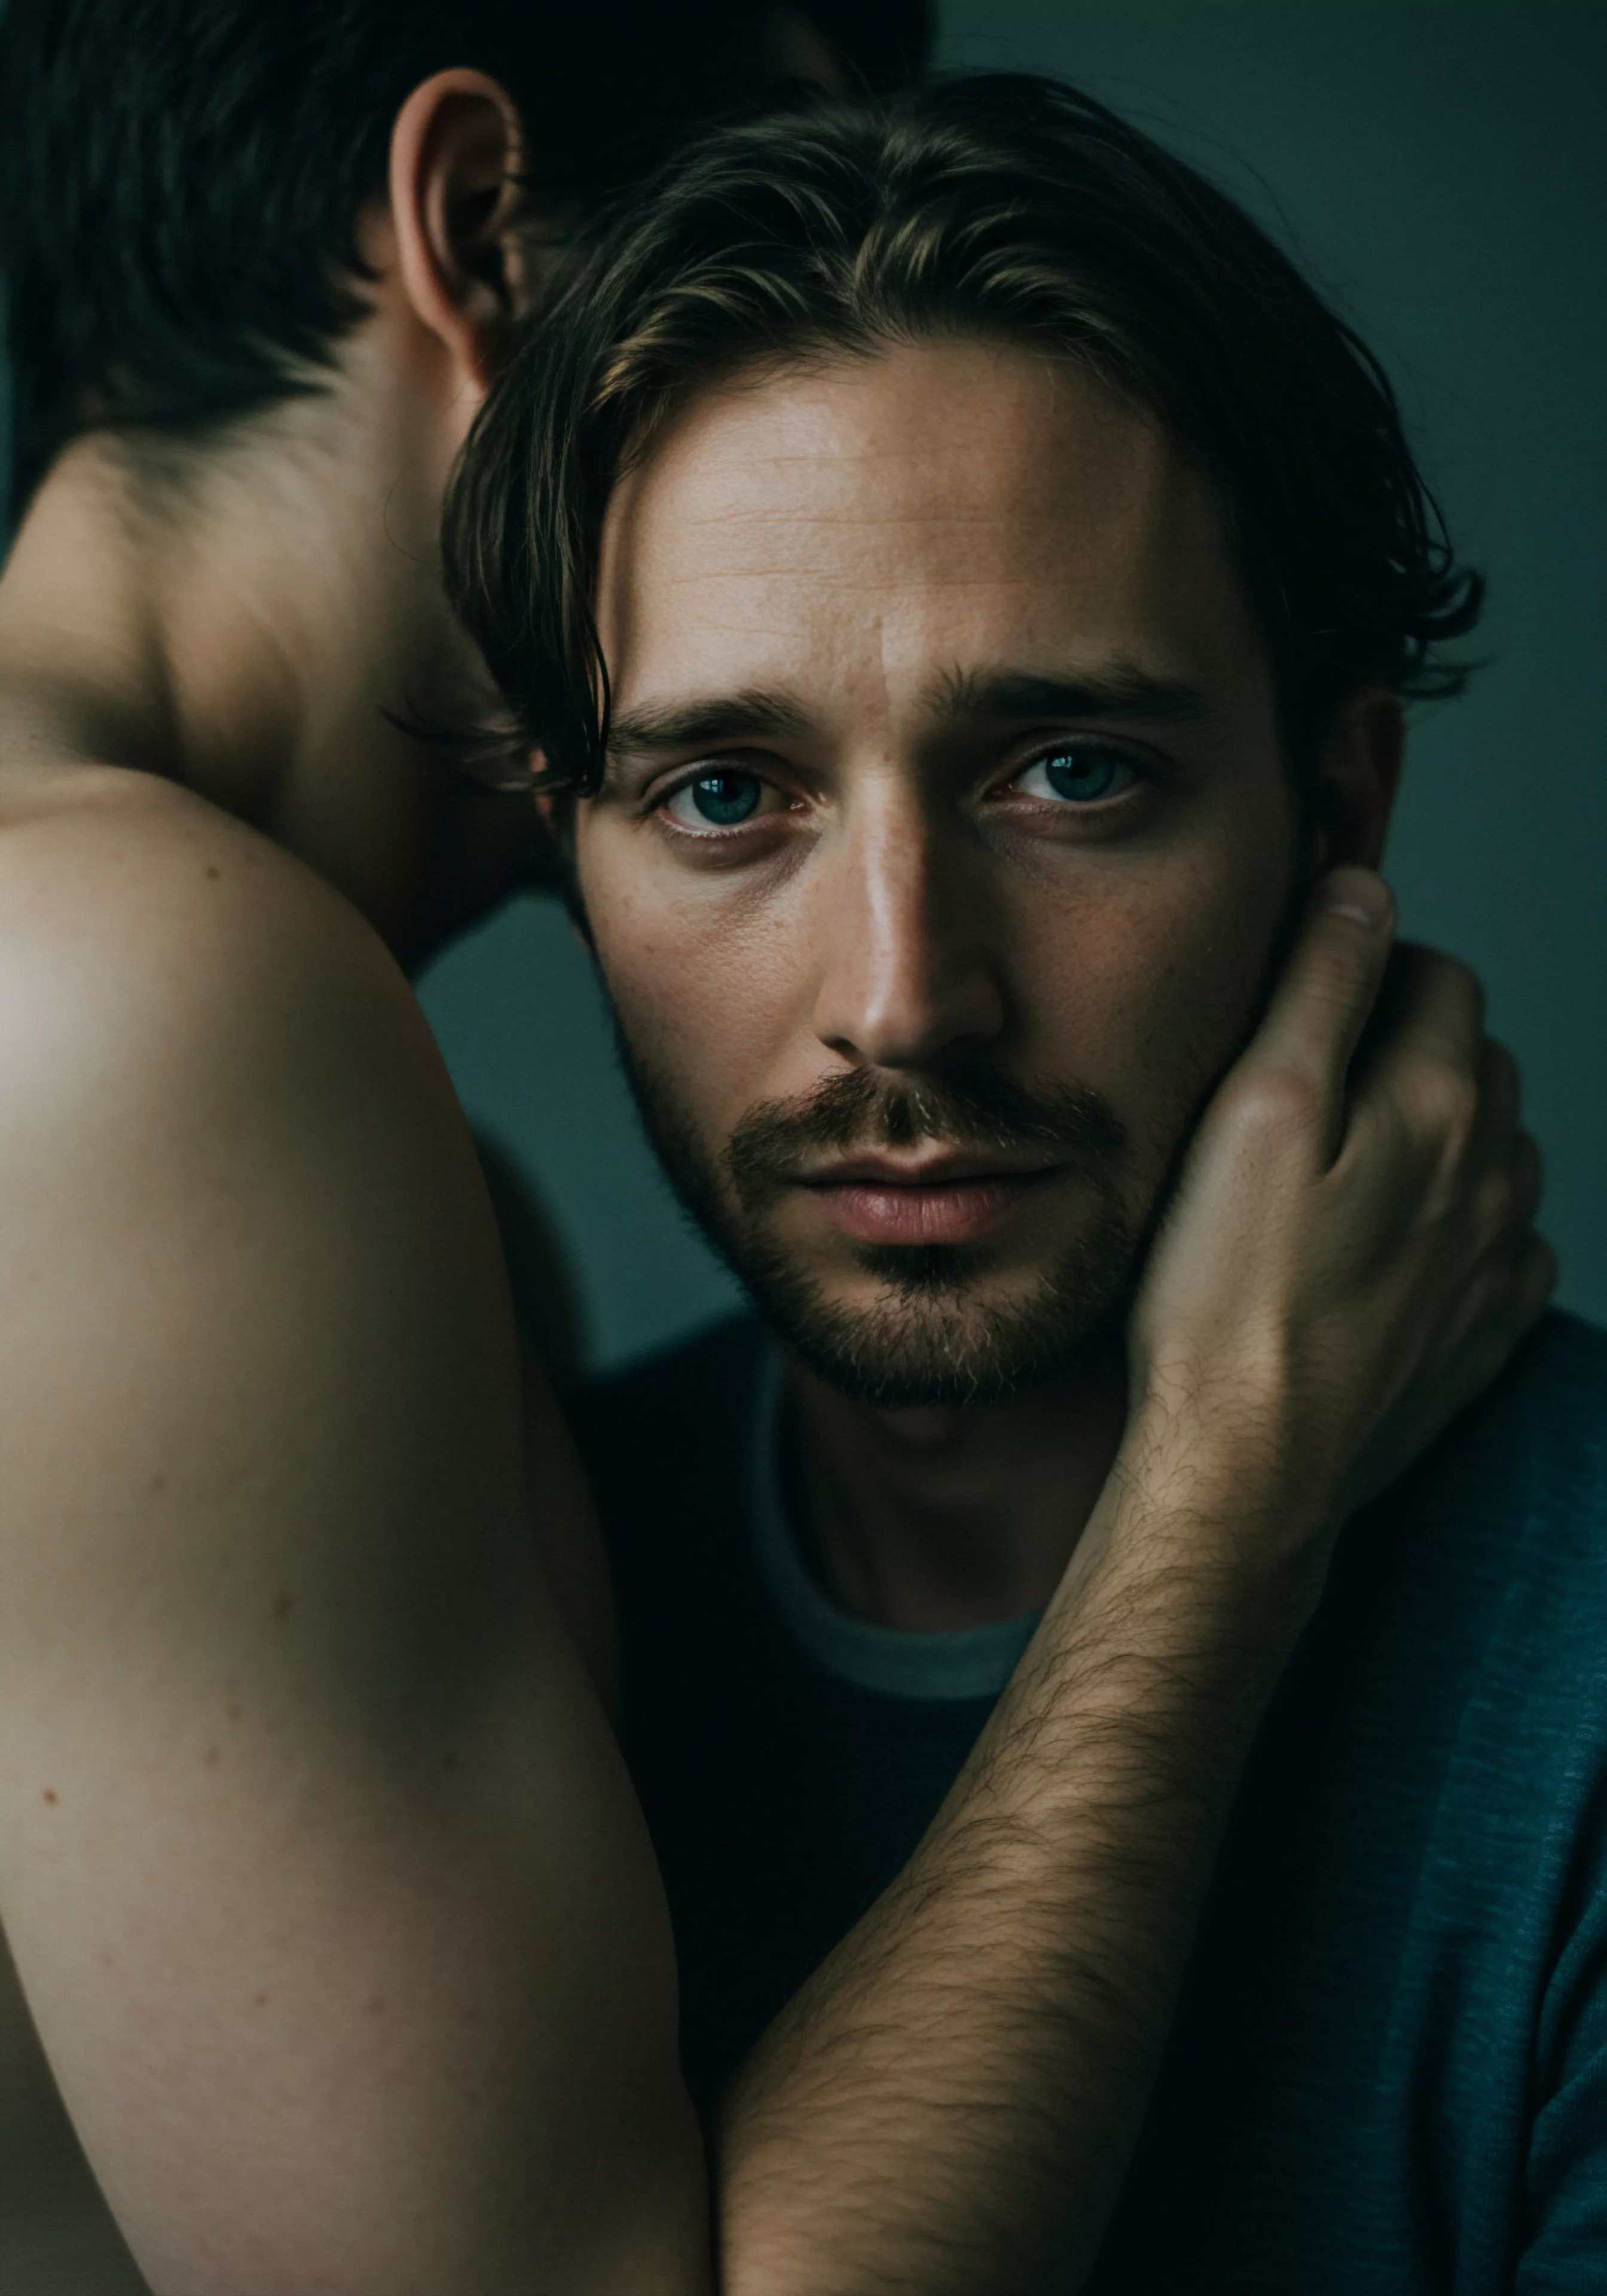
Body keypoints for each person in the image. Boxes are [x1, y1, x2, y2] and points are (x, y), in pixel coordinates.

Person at [445, 72, 1602, 2292]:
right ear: (560, 850)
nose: (905, 996)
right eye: (724, 793)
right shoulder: (489, 1620)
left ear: (1336, 806)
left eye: (1074, 772)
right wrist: (1225, 1509)